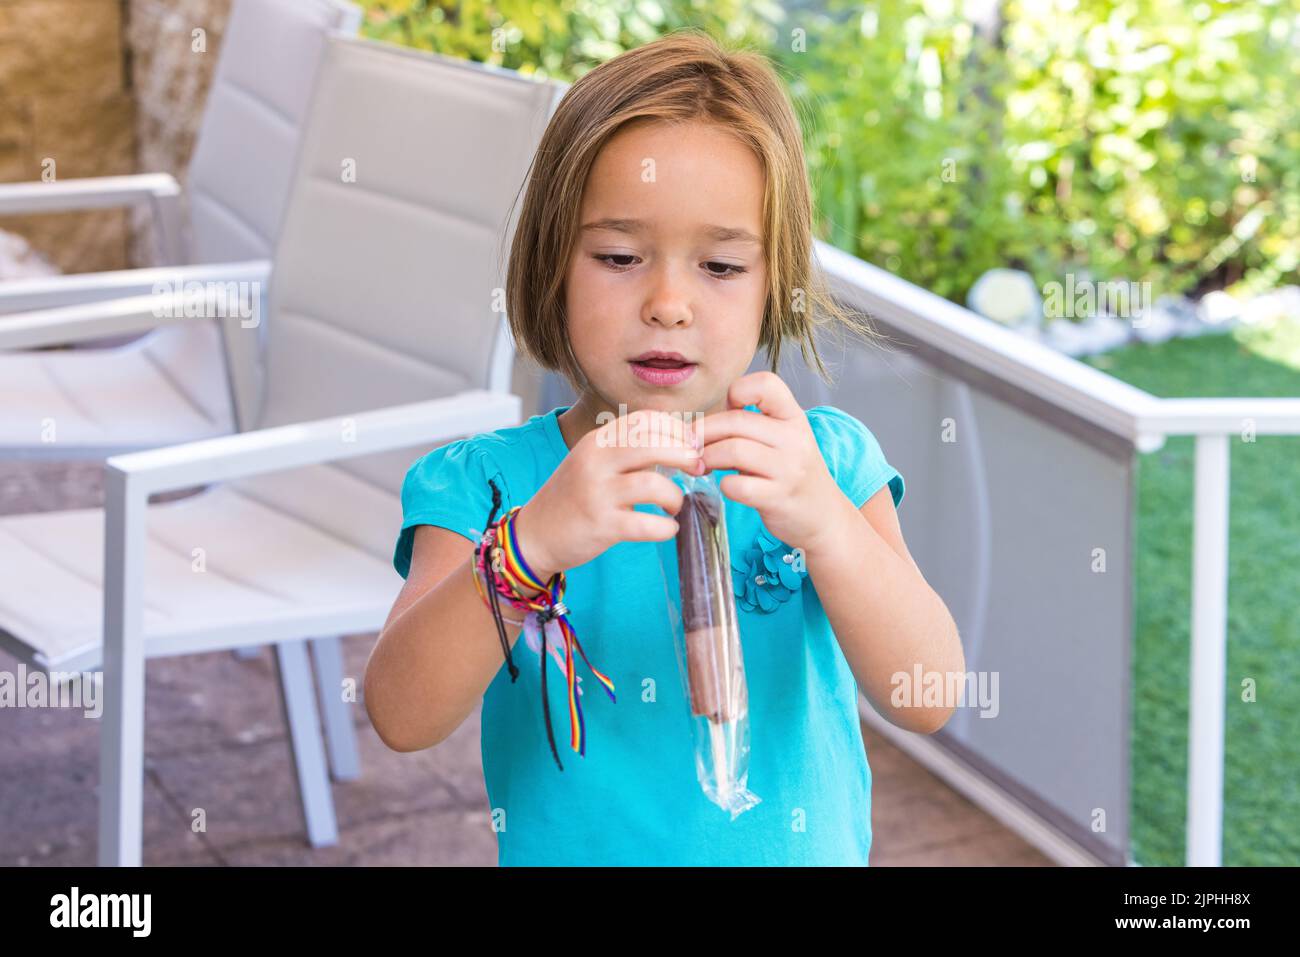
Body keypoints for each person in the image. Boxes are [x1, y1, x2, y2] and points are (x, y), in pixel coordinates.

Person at [364, 29, 963, 866]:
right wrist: (529, 547)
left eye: (720, 266)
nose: (670, 302)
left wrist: (827, 525)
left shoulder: (822, 463)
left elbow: (927, 695)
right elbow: (400, 713)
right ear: (552, 265)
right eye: (618, 256)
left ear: (773, 283)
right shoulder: (491, 485)